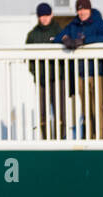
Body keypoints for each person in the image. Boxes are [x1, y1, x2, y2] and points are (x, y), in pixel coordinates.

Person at [56, 0, 103, 139]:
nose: (81, 13)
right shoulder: (74, 24)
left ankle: (100, 138)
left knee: (97, 108)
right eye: (79, 10)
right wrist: (65, 39)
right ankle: (89, 137)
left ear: (89, 9)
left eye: (84, 10)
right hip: (81, 73)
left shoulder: (100, 23)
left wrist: (85, 40)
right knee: (86, 108)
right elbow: (58, 36)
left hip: (97, 72)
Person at [28, 3, 66, 140]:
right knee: (42, 112)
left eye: (46, 15)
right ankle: (45, 139)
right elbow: (29, 59)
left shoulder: (59, 31)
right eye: (41, 16)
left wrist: (61, 73)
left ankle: (61, 139)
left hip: (58, 78)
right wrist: (36, 73)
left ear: (51, 15)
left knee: (60, 111)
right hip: (41, 79)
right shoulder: (32, 35)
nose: (44, 18)